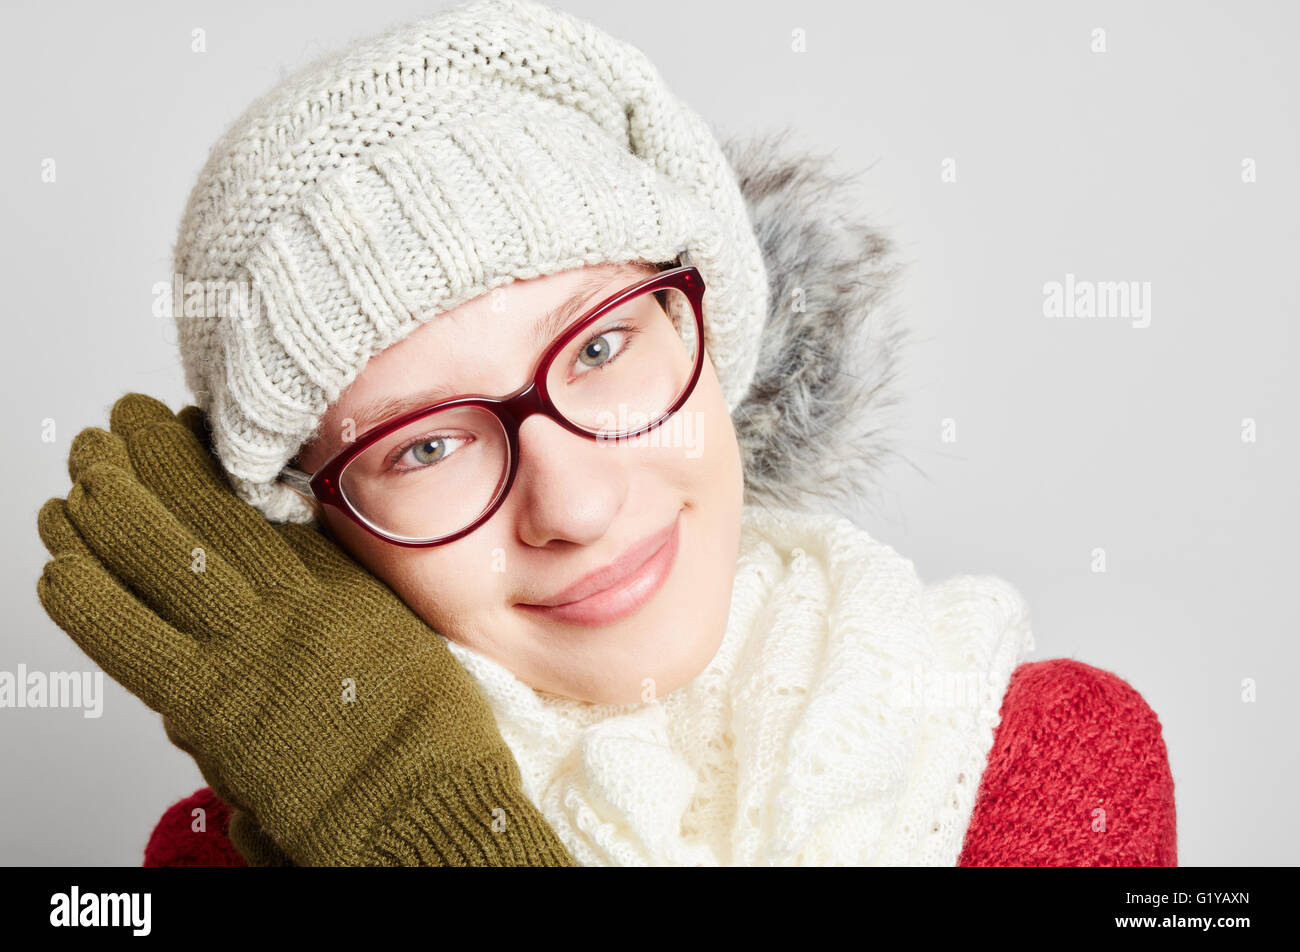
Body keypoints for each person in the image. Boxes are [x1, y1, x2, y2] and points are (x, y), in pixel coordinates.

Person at [36, 0, 1176, 866]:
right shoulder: (217, 859)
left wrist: (418, 826)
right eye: (424, 446)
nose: (573, 506)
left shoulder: (1044, 762)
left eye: (598, 347)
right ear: (308, 526)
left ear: (706, 326)